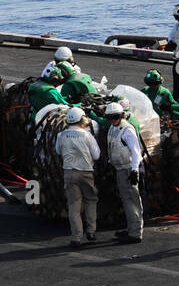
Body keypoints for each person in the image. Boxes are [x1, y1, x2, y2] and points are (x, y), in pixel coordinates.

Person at [55, 107, 101, 248]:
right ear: (82, 120)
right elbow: (97, 155)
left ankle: (76, 237)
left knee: (73, 205)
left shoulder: (61, 135)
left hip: (69, 172)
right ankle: (91, 231)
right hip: (86, 172)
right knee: (91, 200)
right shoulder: (87, 135)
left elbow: (57, 150)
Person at [105, 102, 144, 244]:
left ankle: (135, 232)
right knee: (126, 200)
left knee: (132, 200)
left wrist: (134, 170)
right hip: (119, 169)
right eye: (111, 117)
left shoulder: (127, 130)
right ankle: (131, 228)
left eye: (116, 117)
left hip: (128, 169)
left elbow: (136, 152)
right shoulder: (113, 128)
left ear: (121, 115)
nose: (114, 120)